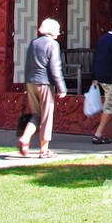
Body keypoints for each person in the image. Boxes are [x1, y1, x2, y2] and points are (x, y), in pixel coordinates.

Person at [18, 18, 67, 158]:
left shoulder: (34, 43)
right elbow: (55, 68)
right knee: (46, 116)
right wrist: (61, 87)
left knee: (36, 115)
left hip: (31, 82)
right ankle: (44, 149)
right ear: (52, 30)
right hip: (45, 84)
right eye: (57, 29)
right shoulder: (53, 44)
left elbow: (27, 64)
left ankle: (25, 138)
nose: (59, 32)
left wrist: (25, 84)